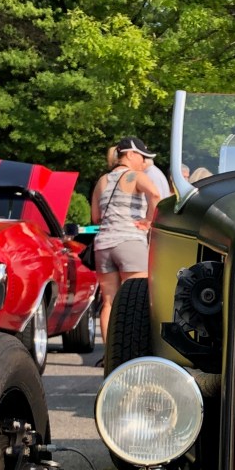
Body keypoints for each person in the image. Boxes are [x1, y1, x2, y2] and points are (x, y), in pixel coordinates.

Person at [89, 136, 162, 344]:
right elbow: (155, 195)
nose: (144, 162)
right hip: (130, 242)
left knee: (109, 303)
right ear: (130, 154)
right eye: (142, 156)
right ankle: (133, 350)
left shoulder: (102, 181)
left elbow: (95, 217)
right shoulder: (135, 176)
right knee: (138, 299)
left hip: (103, 246)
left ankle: (109, 354)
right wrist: (149, 220)